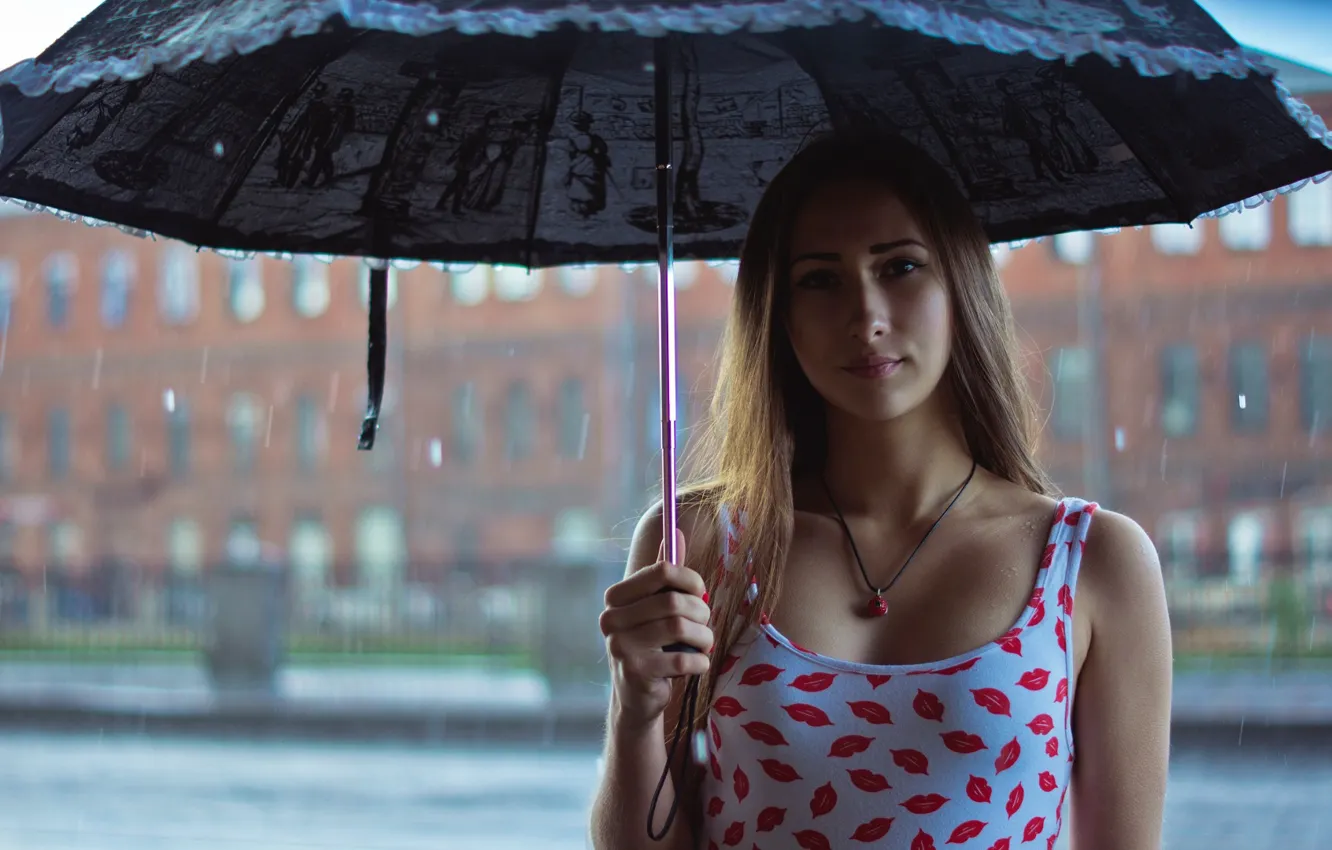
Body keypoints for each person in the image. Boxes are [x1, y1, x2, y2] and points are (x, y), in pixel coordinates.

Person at [589, 134, 1172, 850]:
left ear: (960, 287)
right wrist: (635, 707)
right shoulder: (697, 544)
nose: (866, 315)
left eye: (900, 267)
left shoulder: (1093, 562)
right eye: (819, 279)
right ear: (779, 314)